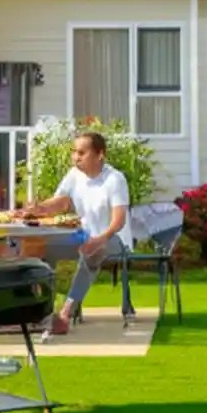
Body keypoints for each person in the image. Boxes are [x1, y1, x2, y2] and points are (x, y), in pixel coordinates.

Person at [28, 131, 131, 336]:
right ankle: (42, 310)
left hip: (114, 239)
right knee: (42, 247)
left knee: (91, 251)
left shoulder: (115, 179)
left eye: (81, 152)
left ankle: (66, 313)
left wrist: (100, 239)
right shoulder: (74, 175)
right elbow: (62, 202)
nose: (76, 157)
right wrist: (38, 208)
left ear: (100, 154)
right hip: (83, 235)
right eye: (74, 152)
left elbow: (119, 221)